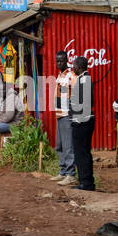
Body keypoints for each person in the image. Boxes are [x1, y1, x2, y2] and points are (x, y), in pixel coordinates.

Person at [69, 55, 96, 191]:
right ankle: (85, 181)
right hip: (82, 120)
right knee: (83, 152)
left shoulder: (84, 80)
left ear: (78, 67)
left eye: (74, 65)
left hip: (82, 121)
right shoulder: (84, 79)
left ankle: (86, 183)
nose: (72, 67)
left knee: (82, 152)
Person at [53, 51, 76, 186]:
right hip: (59, 114)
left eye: (61, 61)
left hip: (67, 114)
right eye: (57, 61)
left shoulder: (70, 76)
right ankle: (63, 171)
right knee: (60, 144)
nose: (59, 63)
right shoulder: (59, 76)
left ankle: (71, 174)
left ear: (67, 60)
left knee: (68, 146)